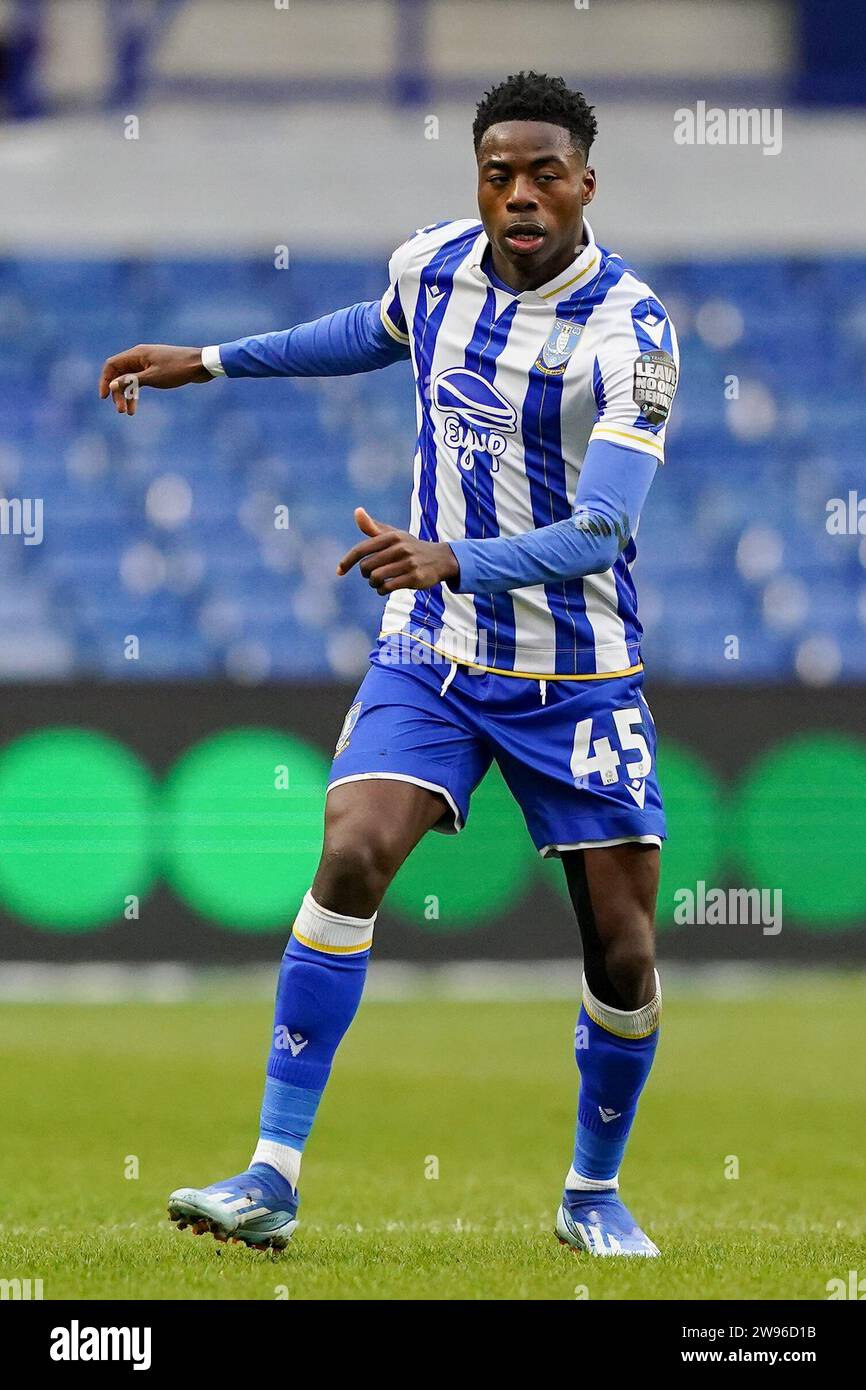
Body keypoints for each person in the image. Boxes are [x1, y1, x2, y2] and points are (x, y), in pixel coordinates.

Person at [99, 71, 679, 1257]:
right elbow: (365, 332)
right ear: (477, 178)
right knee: (354, 848)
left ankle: (589, 1191)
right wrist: (205, 360)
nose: (518, 194)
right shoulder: (432, 266)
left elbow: (605, 529)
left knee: (620, 947)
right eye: (497, 172)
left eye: (542, 174)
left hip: (575, 675)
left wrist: (449, 558)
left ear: (584, 185)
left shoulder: (632, 330)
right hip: (431, 652)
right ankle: (270, 1172)